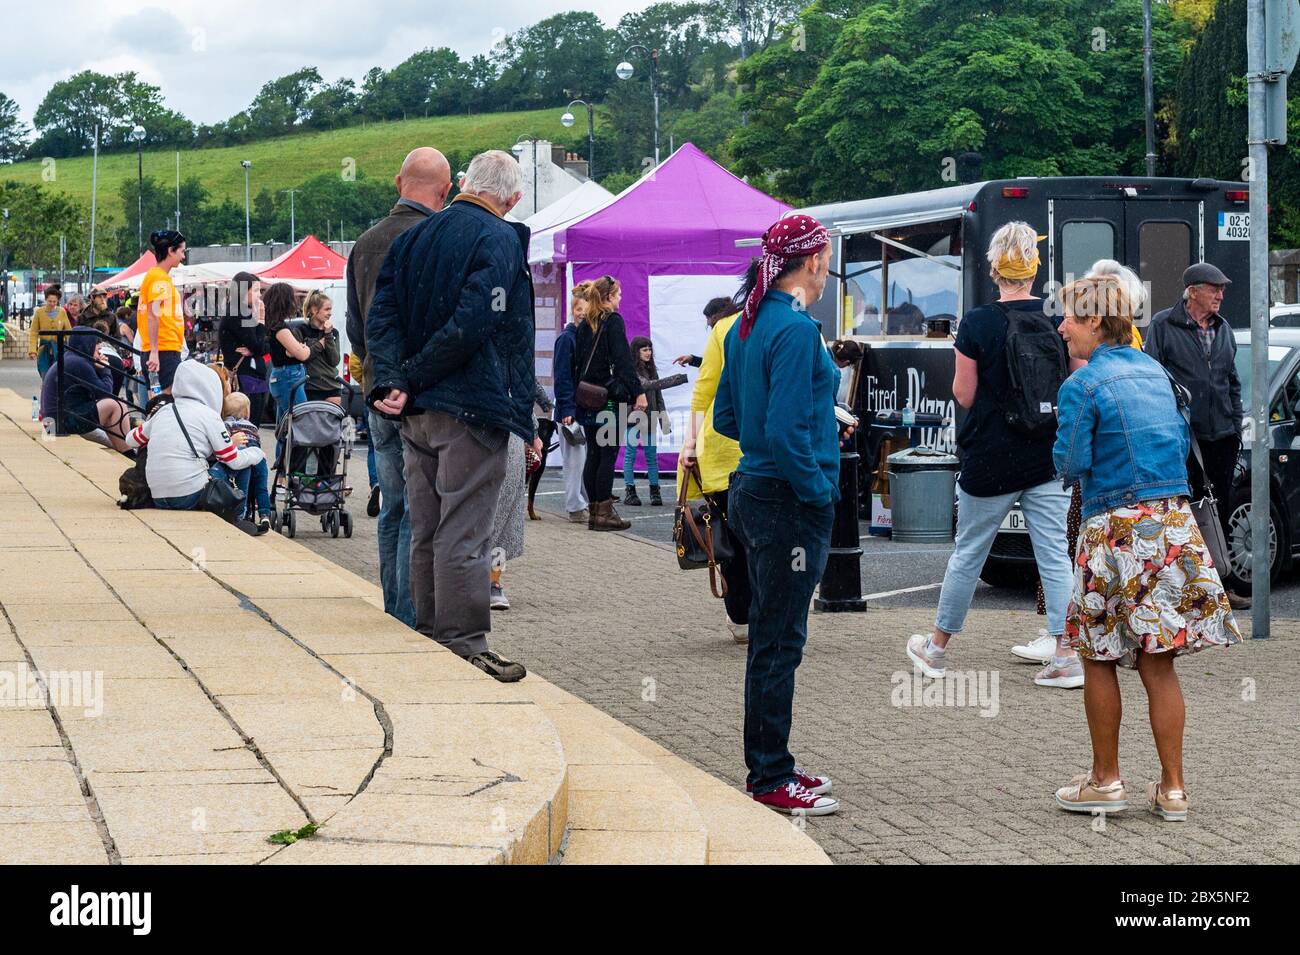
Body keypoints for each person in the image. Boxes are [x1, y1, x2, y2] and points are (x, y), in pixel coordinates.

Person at [1052, 274, 1241, 820]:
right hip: (1171, 524)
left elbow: (1069, 465)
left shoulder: (1082, 385)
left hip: (1113, 528)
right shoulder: (1157, 372)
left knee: (1098, 657)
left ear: (1093, 321)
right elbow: (1182, 444)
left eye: (1069, 317)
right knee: (1160, 666)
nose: (1062, 327)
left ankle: (1106, 781)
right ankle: (1174, 790)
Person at [367, 149, 537, 683]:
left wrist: (395, 378)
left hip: (417, 414)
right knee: (464, 531)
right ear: (511, 199)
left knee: (427, 525)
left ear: (463, 184)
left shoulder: (415, 236)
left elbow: (382, 314)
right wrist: (413, 375)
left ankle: (428, 632)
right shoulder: (500, 237)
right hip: (472, 403)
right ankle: (463, 643)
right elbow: (476, 321)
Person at [905, 221, 1081, 689]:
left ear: (994, 269)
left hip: (989, 460)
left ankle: (937, 648)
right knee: (1055, 556)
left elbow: (963, 394)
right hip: (1045, 458)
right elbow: (1073, 383)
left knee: (968, 553)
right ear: (1034, 267)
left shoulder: (978, 323)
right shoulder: (1053, 323)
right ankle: (1066, 655)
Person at [712, 212, 844, 817]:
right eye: (827, 256)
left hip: (754, 489)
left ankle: (773, 767)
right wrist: (819, 489)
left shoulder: (745, 322)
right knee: (779, 641)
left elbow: (726, 419)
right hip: (788, 500)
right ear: (813, 260)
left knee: (772, 637)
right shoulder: (793, 329)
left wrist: (776, 452)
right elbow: (790, 430)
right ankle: (769, 776)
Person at [347, 146, 452, 629]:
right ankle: (414, 613)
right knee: (422, 509)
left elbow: (354, 324)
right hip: (422, 394)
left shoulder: (364, 242)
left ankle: (394, 605)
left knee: (393, 505)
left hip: (375, 390)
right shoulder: (436, 238)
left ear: (397, 183)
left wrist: (374, 370)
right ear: (446, 190)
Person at [1143, 261, 1249, 609]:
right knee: (1183, 512)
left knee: (1220, 508)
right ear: (1192, 292)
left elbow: (1231, 380)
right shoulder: (1163, 324)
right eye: (1213, 288)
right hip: (1184, 438)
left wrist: (1235, 425)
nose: (1220, 295)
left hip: (1222, 436)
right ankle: (1184, 588)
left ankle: (1221, 585)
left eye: (1221, 289)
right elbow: (1154, 378)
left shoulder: (1223, 329)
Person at [680, 299, 748, 643]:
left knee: (730, 542)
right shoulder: (791, 324)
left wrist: (689, 445)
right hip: (769, 456)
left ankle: (740, 617)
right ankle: (766, 616)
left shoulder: (724, 330)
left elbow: (703, 394)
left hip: (724, 455)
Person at [125, 360, 265, 513]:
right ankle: (240, 516)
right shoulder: (209, 416)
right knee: (243, 463)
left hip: (158, 496)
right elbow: (233, 460)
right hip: (189, 495)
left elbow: (131, 440)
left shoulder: (164, 411)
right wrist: (257, 453)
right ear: (210, 388)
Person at [573, 276, 645, 531]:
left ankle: (594, 510)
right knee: (607, 454)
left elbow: (577, 364)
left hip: (587, 397)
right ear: (608, 298)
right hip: (607, 399)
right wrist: (638, 392)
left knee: (593, 453)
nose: (620, 299)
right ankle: (604, 513)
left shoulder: (584, 325)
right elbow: (623, 360)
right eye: (618, 295)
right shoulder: (612, 321)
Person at [38, 326, 134, 452]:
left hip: (51, 422)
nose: (100, 349)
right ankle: (129, 452)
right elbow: (106, 392)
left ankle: (128, 450)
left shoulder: (71, 357)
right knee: (116, 406)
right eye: (96, 345)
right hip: (58, 423)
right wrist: (105, 369)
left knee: (117, 407)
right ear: (87, 344)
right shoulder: (79, 362)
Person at [622, 337, 686, 507]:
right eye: (644, 350)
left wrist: (664, 420)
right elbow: (648, 385)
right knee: (630, 454)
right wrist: (677, 379)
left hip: (649, 418)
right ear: (636, 352)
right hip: (632, 418)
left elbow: (658, 397)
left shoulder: (651, 370)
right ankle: (630, 491)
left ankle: (654, 491)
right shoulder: (630, 370)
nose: (648, 353)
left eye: (650, 349)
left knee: (651, 456)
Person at [264, 281, 314, 465]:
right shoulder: (282, 329)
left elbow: (294, 352)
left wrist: (298, 350)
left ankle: (283, 469)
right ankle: (295, 470)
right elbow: (302, 354)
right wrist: (305, 348)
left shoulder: (273, 326)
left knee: (285, 426)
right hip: (289, 377)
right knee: (301, 424)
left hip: (282, 376)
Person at [553, 282, 591, 523]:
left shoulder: (584, 338)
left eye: (586, 311)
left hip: (581, 407)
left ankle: (582, 502)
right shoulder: (567, 339)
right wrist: (567, 408)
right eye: (579, 310)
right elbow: (562, 376)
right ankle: (575, 506)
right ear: (573, 310)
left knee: (582, 459)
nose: (582, 314)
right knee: (575, 460)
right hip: (571, 410)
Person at [137, 230, 189, 393]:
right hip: (163, 350)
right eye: (181, 251)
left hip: (163, 349)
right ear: (170, 251)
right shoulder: (159, 278)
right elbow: (153, 315)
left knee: (161, 402)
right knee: (166, 402)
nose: (183, 257)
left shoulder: (156, 276)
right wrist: (154, 351)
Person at [219, 273, 271, 428]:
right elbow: (259, 345)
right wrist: (260, 320)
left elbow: (266, 345)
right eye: (255, 291)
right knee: (247, 423)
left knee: (255, 420)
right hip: (244, 374)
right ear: (242, 291)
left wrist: (255, 348)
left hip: (254, 373)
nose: (259, 296)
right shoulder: (236, 313)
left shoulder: (247, 313)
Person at [216, 391, 272, 530]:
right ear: (247, 412)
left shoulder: (225, 425)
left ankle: (242, 512)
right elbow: (257, 444)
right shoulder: (252, 426)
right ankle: (265, 515)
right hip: (257, 456)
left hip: (240, 456)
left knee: (242, 487)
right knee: (261, 486)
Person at [299, 290, 343, 404]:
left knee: (332, 421)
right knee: (310, 421)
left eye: (331, 309)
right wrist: (320, 345)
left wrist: (328, 335)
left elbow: (334, 361)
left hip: (332, 386)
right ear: (314, 310)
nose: (330, 313)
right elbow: (303, 357)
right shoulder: (302, 330)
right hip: (310, 387)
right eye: (327, 309)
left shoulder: (334, 332)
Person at [673, 297, 738, 367]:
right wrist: (693, 359)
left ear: (715, 317)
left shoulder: (731, 336)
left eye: (707, 318)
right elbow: (715, 364)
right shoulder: (733, 331)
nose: (708, 323)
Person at [28, 287, 72, 377]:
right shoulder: (39, 312)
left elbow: (68, 331)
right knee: (44, 373)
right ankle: (46, 387)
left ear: (58, 301)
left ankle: (52, 390)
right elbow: (34, 332)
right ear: (45, 300)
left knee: (57, 375)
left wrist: (71, 348)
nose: (52, 303)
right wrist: (32, 350)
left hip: (59, 348)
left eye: (54, 301)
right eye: (49, 301)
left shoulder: (62, 312)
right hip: (44, 348)